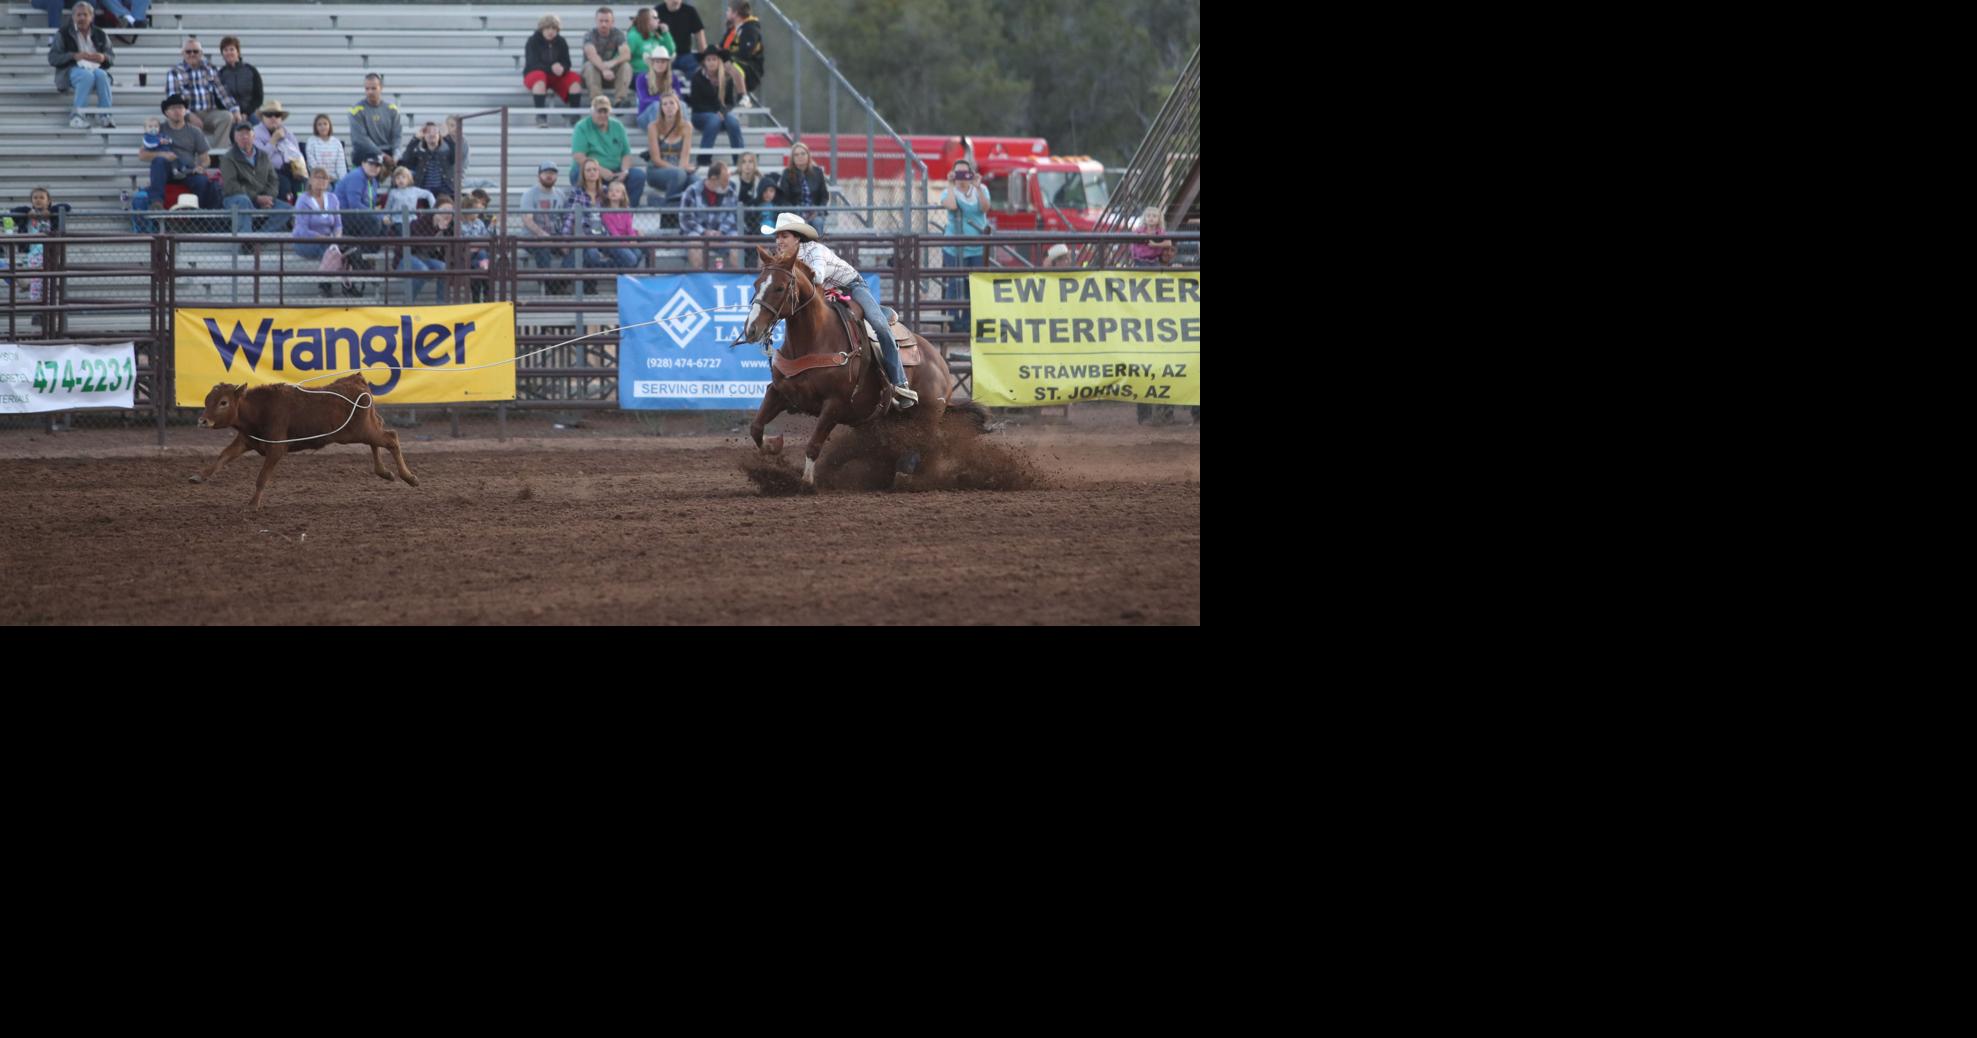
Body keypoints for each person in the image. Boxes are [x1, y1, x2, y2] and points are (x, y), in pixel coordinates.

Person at [767, 211, 916, 408]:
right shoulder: (784, 258)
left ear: (797, 237)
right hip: (824, 295)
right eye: (777, 236)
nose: (779, 240)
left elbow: (817, 277)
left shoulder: (814, 251)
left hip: (852, 287)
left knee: (880, 326)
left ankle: (899, 382)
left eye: (784, 236)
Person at [139, 94, 221, 210]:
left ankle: (200, 215)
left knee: (202, 180)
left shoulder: (195, 132)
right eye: (173, 108)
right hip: (166, 171)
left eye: (180, 107)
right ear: (166, 112)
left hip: (187, 170)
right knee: (158, 161)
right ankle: (156, 203)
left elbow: (206, 159)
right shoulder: (158, 129)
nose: (177, 111)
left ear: (185, 110)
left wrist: (201, 167)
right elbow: (142, 155)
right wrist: (163, 155)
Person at [571, 94, 646, 206]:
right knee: (578, 173)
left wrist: (624, 172)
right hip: (594, 170)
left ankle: (628, 213)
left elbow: (626, 154)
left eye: (605, 112)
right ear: (592, 111)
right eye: (599, 111)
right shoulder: (582, 126)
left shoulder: (618, 126)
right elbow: (578, 156)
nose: (602, 115)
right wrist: (599, 170)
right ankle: (588, 211)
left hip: (616, 172)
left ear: (609, 112)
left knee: (638, 176)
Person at [47, 2, 113, 130]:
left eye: (85, 14)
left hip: (95, 68)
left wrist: (103, 57)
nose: (82, 18)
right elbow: (52, 58)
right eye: (78, 15)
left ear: (91, 17)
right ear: (73, 17)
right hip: (70, 70)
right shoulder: (63, 33)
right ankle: (77, 117)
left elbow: (111, 56)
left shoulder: (100, 33)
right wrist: (73, 56)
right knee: (86, 76)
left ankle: (105, 115)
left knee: (103, 75)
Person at [941, 158, 989, 330]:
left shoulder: (981, 189)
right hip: (954, 247)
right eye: (958, 173)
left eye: (965, 173)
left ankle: (970, 323)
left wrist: (977, 186)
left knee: (973, 287)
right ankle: (952, 323)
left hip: (976, 247)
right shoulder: (948, 192)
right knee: (954, 285)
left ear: (971, 174)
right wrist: (950, 184)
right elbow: (952, 206)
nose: (962, 177)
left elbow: (985, 208)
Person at [220, 121, 292, 234]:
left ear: (254, 136)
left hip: (261, 198)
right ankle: (246, 238)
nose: (244, 137)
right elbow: (231, 186)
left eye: (247, 134)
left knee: (287, 209)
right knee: (243, 201)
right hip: (235, 199)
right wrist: (256, 198)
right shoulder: (228, 158)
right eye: (240, 134)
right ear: (235, 138)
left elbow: (273, 180)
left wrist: (268, 197)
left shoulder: (263, 156)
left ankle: (259, 238)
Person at [291, 166, 353, 297]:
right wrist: (325, 239)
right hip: (305, 241)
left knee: (345, 247)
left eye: (325, 178)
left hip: (329, 240)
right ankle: (334, 285)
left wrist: (336, 238)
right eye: (318, 177)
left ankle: (332, 285)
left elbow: (337, 224)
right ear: (310, 181)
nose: (322, 181)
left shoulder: (332, 198)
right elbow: (302, 230)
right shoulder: (303, 200)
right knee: (332, 249)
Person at [164, 36, 239, 141]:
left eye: (195, 51)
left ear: (201, 53)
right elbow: (173, 100)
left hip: (210, 112)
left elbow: (222, 92)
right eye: (188, 52)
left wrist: (234, 110)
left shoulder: (210, 68)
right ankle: (197, 155)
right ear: (183, 53)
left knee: (227, 117)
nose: (192, 54)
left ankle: (219, 155)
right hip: (187, 114)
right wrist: (189, 115)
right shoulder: (174, 72)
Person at [521, 161, 574, 288]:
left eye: (553, 173)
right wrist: (545, 236)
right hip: (533, 238)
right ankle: (548, 284)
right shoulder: (529, 194)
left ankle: (561, 282)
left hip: (555, 236)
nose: (549, 175)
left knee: (577, 249)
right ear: (539, 175)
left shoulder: (560, 194)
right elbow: (527, 220)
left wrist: (564, 240)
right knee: (542, 246)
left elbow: (567, 219)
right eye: (546, 173)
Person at [524, 13, 582, 128]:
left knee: (575, 79)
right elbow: (532, 64)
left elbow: (567, 62)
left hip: (556, 76)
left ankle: (574, 114)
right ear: (542, 29)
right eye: (547, 28)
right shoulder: (532, 41)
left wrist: (562, 68)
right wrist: (551, 68)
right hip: (535, 73)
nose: (551, 31)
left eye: (554, 28)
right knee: (539, 78)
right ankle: (540, 116)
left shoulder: (561, 41)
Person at [679, 159, 737, 270]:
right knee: (694, 241)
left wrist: (721, 232)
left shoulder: (730, 192)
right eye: (724, 181)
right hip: (699, 233)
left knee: (736, 241)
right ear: (713, 179)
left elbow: (732, 216)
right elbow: (686, 219)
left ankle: (737, 279)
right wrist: (705, 232)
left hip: (722, 234)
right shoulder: (691, 191)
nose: (727, 184)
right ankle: (700, 279)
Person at [687, 46, 742, 154]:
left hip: (720, 115)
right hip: (700, 116)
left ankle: (739, 159)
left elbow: (730, 102)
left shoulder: (727, 78)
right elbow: (696, 104)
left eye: (714, 59)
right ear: (704, 62)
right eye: (708, 60)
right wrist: (716, 113)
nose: (711, 62)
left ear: (719, 61)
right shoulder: (697, 78)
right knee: (713, 120)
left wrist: (723, 111)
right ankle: (703, 158)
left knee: (733, 122)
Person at [643, 91, 692, 208]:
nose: (668, 107)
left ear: (678, 106)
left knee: (696, 180)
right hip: (656, 170)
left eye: (672, 103)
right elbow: (656, 159)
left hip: (679, 168)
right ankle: (669, 216)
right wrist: (679, 170)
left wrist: (682, 169)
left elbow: (685, 157)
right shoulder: (653, 126)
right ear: (661, 108)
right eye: (664, 104)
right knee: (678, 175)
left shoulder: (687, 126)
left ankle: (664, 205)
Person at [251, 100, 307, 201]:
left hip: (290, 170)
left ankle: (300, 213)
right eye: (269, 115)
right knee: (284, 184)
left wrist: (298, 169)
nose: (273, 118)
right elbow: (260, 159)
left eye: (277, 115)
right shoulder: (255, 133)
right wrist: (273, 140)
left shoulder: (288, 134)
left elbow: (297, 155)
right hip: (267, 172)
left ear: (281, 118)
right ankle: (285, 214)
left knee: (302, 185)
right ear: (263, 118)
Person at [398, 201, 451, 303]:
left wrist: (443, 232)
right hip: (406, 257)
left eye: (450, 211)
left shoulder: (450, 227)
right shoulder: (420, 222)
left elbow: (444, 254)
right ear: (435, 211)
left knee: (444, 268)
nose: (447, 213)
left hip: (425, 259)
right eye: (444, 210)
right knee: (423, 270)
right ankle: (407, 303)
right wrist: (435, 230)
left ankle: (441, 305)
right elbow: (418, 245)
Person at [581, 6, 633, 108]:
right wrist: (604, 68)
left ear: (612, 22)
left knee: (626, 66)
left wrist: (611, 63)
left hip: (611, 75)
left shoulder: (618, 34)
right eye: (601, 21)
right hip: (592, 76)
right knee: (589, 65)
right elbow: (591, 55)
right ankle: (598, 101)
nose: (603, 24)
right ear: (596, 21)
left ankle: (620, 100)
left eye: (607, 21)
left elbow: (626, 54)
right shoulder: (590, 34)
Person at [347, 72, 400, 165]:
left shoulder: (392, 109)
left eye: (373, 88)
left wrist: (396, 154)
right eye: (367, 89)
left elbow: (397, 135)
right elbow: (360, 140)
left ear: (381, 88)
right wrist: (381, 155)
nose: (370, 92)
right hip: (366, 154)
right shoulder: (356, 110)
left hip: (388, 152)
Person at [591, 180, 642, 270]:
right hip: (614, 242)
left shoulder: (626, 211)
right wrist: (627, 243)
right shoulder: (605, 213)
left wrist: (633, 239)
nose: (613, 193)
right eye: (611, 191)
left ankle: (623, 273)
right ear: (607, 194)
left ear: (622, 196)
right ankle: (602, 267)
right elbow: (613, 233)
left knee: (638, 254)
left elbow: (629, 228)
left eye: (617, 191)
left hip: (626, 240)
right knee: (632, 260)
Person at [398, 120, 456, 200]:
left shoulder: (446, 154)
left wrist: (447, 136)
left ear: (439, 136)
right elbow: (405, 160)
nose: (431, 134)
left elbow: (457, 155)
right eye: (427, 132)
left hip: (444, 195)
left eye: (435, 131)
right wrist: (416, 139)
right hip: (424, 194)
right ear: (424, 136)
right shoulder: (419, 155)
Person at [720, 1, 764, 103]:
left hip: (751, 69)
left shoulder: (751, 29)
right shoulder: (732, 28)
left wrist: (727, 57)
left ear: (735, 13)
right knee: (712, 62)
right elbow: (722, 46)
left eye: (728, 10)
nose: (726, 12)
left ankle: (743, 97)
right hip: (734, 63)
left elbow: (745, 53)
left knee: (730, 63)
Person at [634, 47, 689, 129]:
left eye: (663, 62)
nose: (660, 64)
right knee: (656, 106)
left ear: (667, 64)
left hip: (668, 114)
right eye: (657, 61)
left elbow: (678, 97)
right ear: (652, 63)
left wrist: (669, 101)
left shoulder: (673, 78)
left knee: (682, 105)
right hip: (645, 116)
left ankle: (684, 134)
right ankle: (660, 138)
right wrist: (665, 99)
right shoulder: (642, 78)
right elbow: (644, 100)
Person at [779, 140, 828, 230]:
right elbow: (783, 199)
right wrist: (796, 213)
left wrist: (818, 211)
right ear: (792, 158)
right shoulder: (787, 173)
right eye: (796, 155)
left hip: (814, 213)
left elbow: (824, 197)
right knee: (800, 225)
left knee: (818, 222)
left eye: (803, 153)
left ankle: (816, 244)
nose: (800, 157)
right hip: (795, 214)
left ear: (808, 155)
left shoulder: (817, 172)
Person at [216, 36, 263, 125]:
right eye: (225, 50)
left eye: (232, 49)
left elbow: (258, 98)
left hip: (250, 112)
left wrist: (246, 113)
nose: (229, 52)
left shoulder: (250, 70)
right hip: (230, 114)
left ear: (238, 51)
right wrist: (232, 113)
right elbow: (218, 100)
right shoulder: (220, 74)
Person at [656, 0, 707, 80]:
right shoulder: (657, 11)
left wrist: (704, 56)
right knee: (659, 73)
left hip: (685, 54)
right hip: (666, 56)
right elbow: (651, 33)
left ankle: (692, 90)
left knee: (697, 73)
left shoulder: (690, 11)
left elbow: (699, 33)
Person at [303, 112, 348, 183]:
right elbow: (311, 164)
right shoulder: (311, 142)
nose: (323, 127)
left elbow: (341, 164)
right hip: (319, 179)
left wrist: (343, 181)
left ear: (330, 126)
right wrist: (324, 176)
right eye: (319, 125)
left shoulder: (336, 142)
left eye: (325, 124)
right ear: (316, 127)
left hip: (335, 178)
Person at [627, 7, 675, 72]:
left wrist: (666, 33)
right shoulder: (633, 36)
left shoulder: (654, 34)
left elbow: (670, 50)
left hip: (656, 72)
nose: (658, 20)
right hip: (639, 73)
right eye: (655, 17)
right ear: (646, 19)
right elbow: (625, 56)